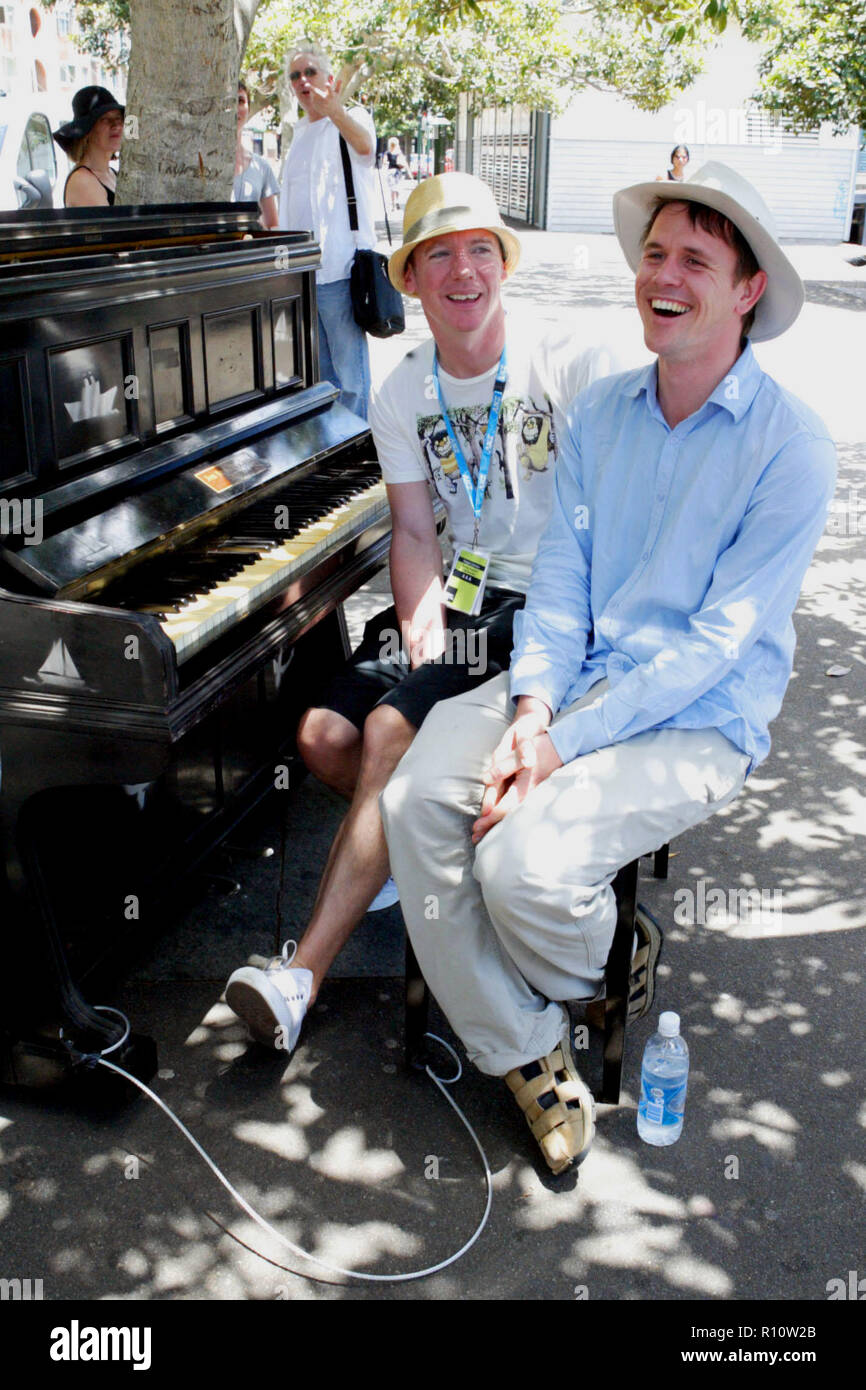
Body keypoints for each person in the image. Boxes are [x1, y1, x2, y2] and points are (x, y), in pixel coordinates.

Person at [380, 162, 837, 1177]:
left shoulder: (791, 448)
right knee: (412, 800)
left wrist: (557, 743)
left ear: (748, 290)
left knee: (517, 870)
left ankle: (597, 954)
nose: (662, 276)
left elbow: (715, 645)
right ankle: (531, 1050)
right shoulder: (600, 414)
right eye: (655, 254)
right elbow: (560, 583)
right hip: (573, 677)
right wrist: (532, 706)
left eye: (695, 262)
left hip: (698, 716)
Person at [224, 171, 620, 1056]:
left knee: (388, 730)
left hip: (544, 604)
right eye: (438, 255)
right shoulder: (402, 390)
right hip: (455, 597)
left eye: (480, 250)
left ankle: (299, 978)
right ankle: (410, 850)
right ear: (409, 278)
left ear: (504, 265)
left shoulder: (566, 361)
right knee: (323, 735)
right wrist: (420, 622)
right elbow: (411, 529)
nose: (463, 271)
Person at [277, 41, 377, 420]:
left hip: (339, 268)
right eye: (295, 75)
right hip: (304, 275)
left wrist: (334, 110)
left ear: (329, 78)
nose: (303, 80)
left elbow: (366, 149)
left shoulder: (351, 119)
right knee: (322, 375)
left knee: (352, 377)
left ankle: (359, 442)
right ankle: (337, 441)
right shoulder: (299, 133)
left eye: (310, 72)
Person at [53, 86, 124, 207]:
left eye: (119, 118)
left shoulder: (113, 174)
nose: (116, 125)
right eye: (105, 119)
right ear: (87, 130)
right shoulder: (83, 181)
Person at [234, 81, 279, 228]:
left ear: (248, 108)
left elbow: (272, 226)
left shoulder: (262, 167)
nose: (235, 108)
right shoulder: (200, 166)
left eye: (240, 101)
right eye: (228, 102)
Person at [383, 136, 407, 212]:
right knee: (397, 187)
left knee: (393, 188)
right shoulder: (399, 153)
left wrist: (388, 163)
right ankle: (397, 201)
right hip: (398, 172)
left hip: (391, 172)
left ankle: (393, 204)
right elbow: (403, 162)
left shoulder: (388, 153)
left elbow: (384, 162)